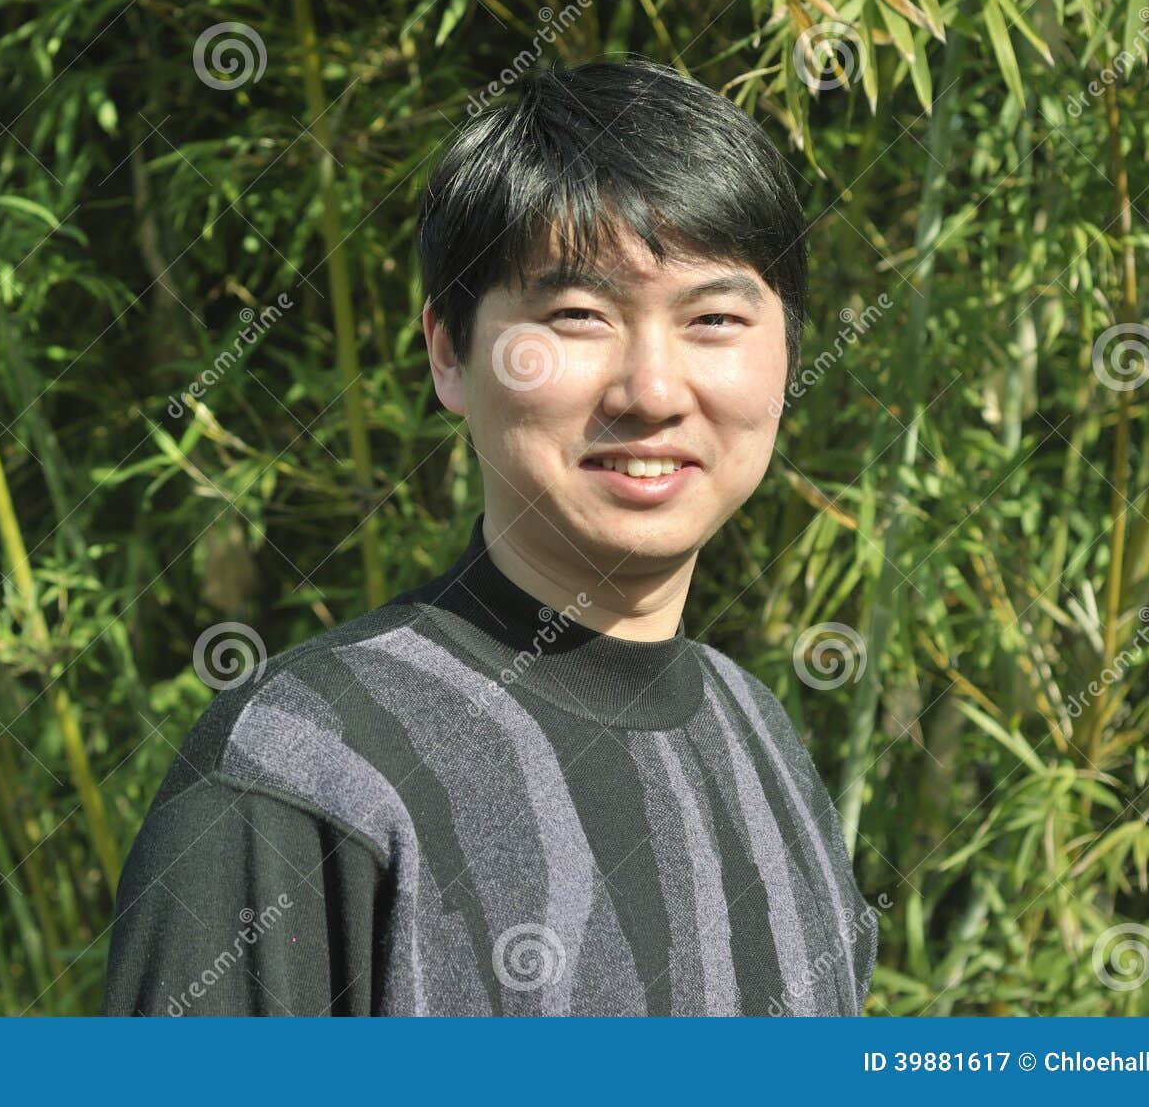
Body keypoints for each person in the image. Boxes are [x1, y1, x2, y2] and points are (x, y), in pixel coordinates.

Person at [100, 56, 878, 1016]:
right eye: (578, 316)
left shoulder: (761, 739)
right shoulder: (302, 772)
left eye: (713, 318)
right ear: (448, 353)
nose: (652, 391)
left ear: (788, 354)